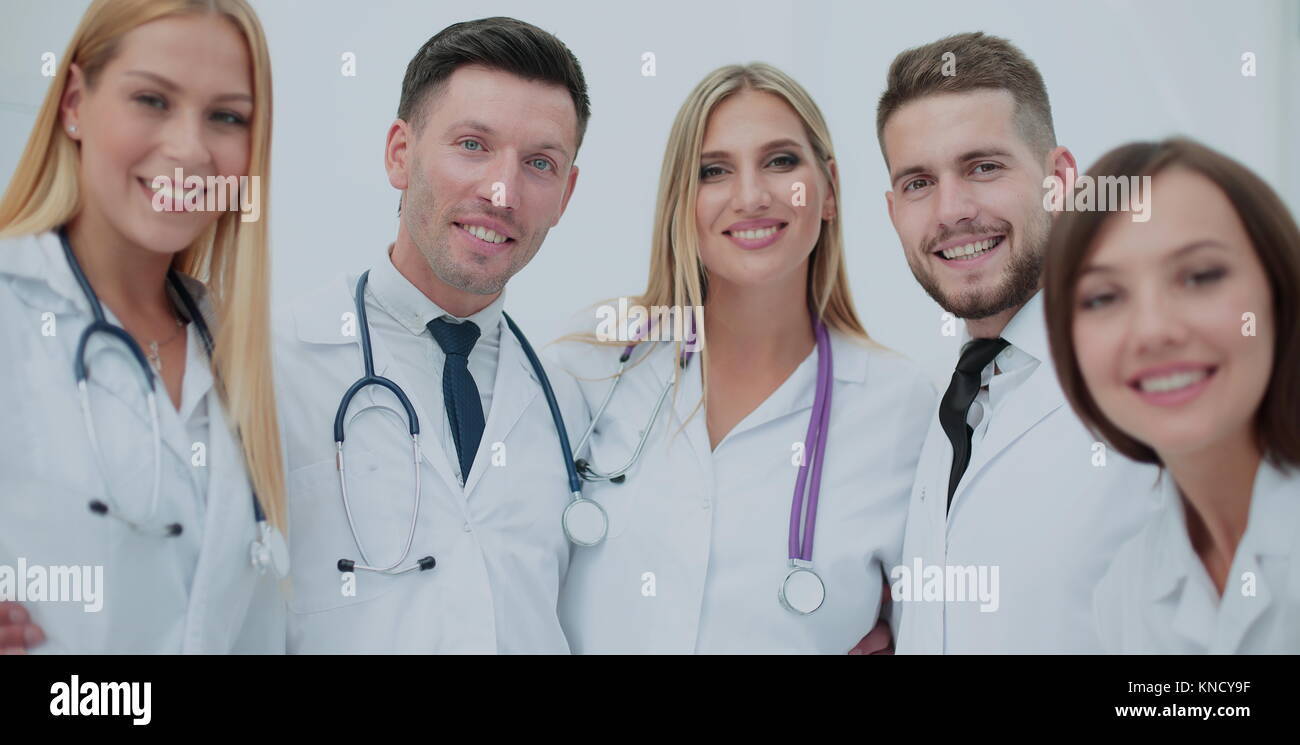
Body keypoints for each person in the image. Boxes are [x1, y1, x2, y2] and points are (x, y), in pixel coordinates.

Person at [550, 63, 934, 653]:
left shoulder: (900, 404)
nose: (751, 196)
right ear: (682, 199)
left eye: (781, 162)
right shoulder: (587, 364)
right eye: (714, 171)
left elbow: (936, 634)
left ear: (828, 189)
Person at [273, 17, 590, 653]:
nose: (502, 192)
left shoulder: (573, 402)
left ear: (565, 195)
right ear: (400, 153)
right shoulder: (272, 363)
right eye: (473, 144)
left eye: (539, 163)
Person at [0, 0, 285, 653]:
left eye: (226, 116)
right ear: (74, 102)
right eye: (153, 100)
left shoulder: (235, 348)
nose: (188, 149)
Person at [874, 32, 1157, 652]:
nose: (952, 211)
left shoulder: (1160, 388)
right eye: (920, 182)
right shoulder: (946, 406)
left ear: (1059, 178)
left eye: (984, 167)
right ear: (894, 212)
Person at [1042, 138, 1300, 653]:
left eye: (1201, 276)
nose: (1153, 331)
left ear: (1279, 291)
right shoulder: (1123, 596)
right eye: (1104, 297)